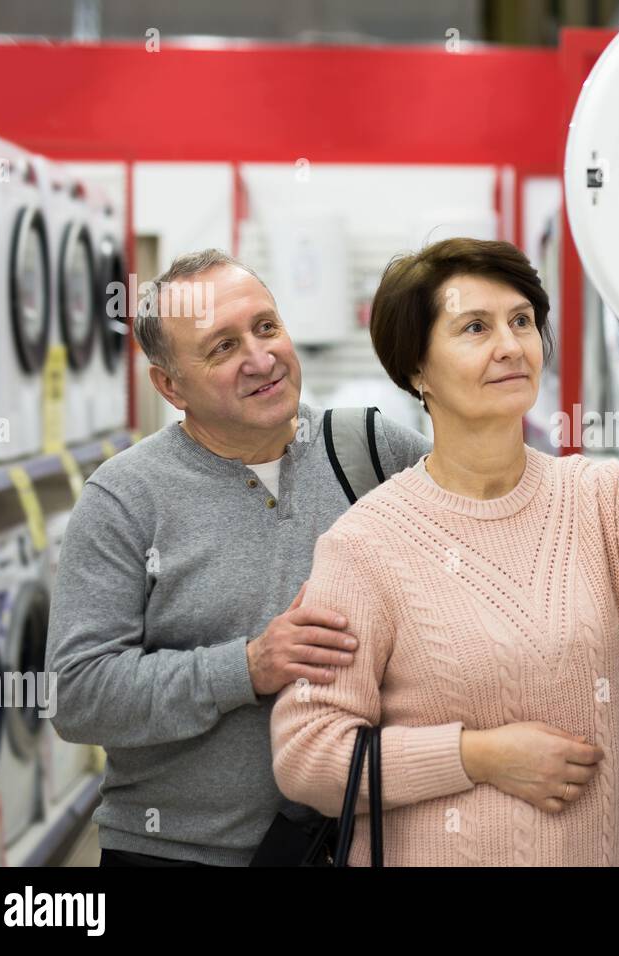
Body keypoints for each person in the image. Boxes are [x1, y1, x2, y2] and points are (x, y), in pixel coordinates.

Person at [271, 238, 619, 865]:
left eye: (522, 322)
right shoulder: (366, 547)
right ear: (417, 370)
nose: (511, 345)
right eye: (475, 327)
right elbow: (308, 757)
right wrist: (479, 755)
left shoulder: (598, 495)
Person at [44, 249, 432, 866]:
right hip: (175, 852)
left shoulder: (372, 451)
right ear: (170, 386)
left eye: (266, 326)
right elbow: (77, 694)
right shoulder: (124, 498)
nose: (260, 359)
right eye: (222, 348)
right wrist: (247, 668)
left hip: (349, 846)